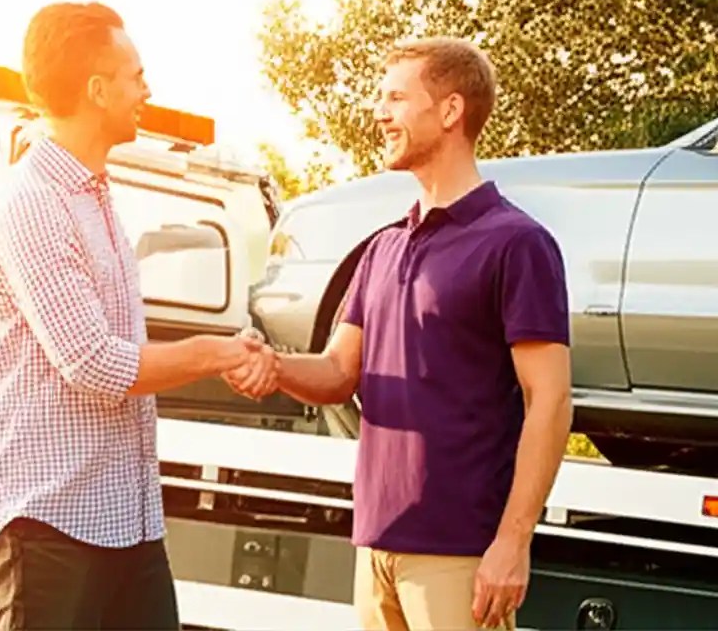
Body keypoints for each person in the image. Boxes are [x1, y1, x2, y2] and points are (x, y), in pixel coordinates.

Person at [229, 37, 574, 630]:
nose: (379, 113)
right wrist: (274, 364)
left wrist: (513, 543)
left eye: (395, 98)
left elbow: (552, 399)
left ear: (449, 111)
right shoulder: (384, 247)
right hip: (376, 544)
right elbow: (340, 372)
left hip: (460, 549)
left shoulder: (517, 244)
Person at [0, 1, 259, 630]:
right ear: (97, 91)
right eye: (135, 76)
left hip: (125, 520)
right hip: (47, 524)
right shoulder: (34, 204)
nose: (145, 90)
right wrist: (219, 351)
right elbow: (93, 363)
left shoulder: (97, 199)